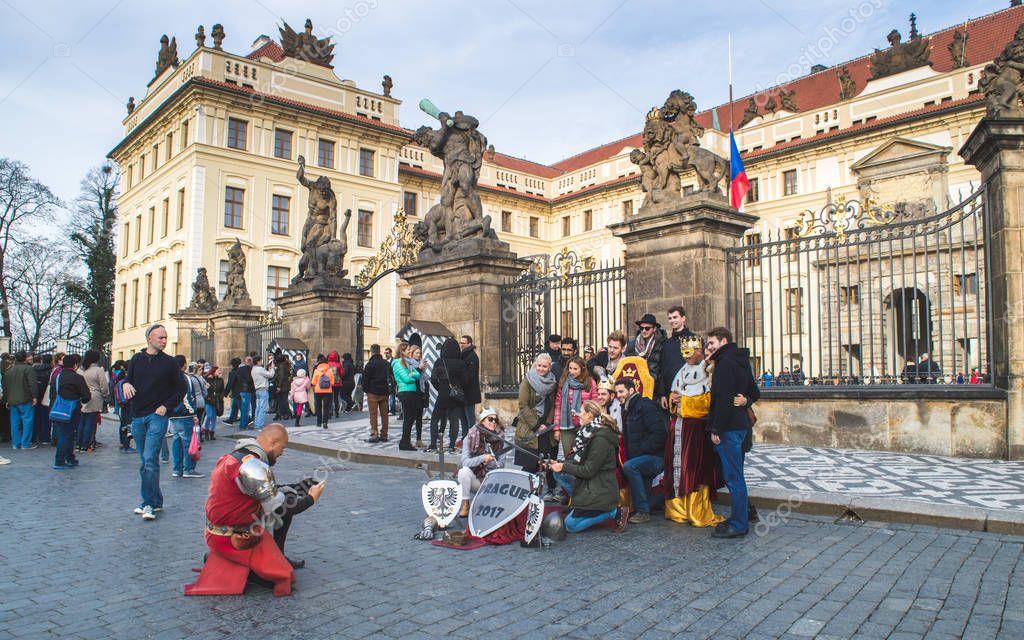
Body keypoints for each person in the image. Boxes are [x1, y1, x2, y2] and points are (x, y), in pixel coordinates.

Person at [184, 424, 327, 597]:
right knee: (281, 578)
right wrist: (311, 499)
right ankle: (224, 560)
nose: (282, 453)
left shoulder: (243, 456)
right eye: (282, 448)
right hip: (232, 537)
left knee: (288, 495)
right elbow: (280, 506)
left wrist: (299, 487)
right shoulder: (253, 466)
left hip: (231, 526)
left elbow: (270, 493)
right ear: (273, 443)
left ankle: (274, 556)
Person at [121, 324, 183, 520]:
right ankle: (155, 501)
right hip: (138, 415)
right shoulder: (136, 360)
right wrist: (125, 384)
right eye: (161, 338)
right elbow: (127, 380)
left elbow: (180, 389)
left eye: (165, 338)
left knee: (149, 458)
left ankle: (147, 503)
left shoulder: (170, 363)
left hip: (157, 415)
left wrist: (166, 406)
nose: (164, 341)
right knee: (145, 461)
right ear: (149, 338)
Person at [663, 338, 724, 527]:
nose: (686, 357)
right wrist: (673, 399)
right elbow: (674, 392)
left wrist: (684, 403)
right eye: (684, 353)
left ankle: (696, 511)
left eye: (690, 352)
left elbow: (707, 404)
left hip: (696, 430)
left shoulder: (708, 374)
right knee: (676, 468)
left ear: (699, 351)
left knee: (694, 469)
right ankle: (678, 509)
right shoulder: (682, 370)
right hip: (678, 428)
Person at [705, 327, 760, 538]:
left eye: (712, 343)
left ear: (724, 341)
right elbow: (755, 392)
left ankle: (738, 524)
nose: (709, 347)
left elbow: (722, 402)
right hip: (741, 427)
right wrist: (747, 400)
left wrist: (715, 428)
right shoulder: (740, 359)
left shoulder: (725, 364)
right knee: (737, 475)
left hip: (728, 429)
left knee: (733, 477)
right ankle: (742, 515)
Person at [546, 400, 629, 533]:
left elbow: (588, 470)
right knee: (558, 473)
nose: (579, 415)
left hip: (601, 488)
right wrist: (556, 464)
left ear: (590, 415)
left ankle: (613, 512)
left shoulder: (600, 439)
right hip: (592, 483)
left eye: (582, 412)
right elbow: (577, 461)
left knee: (570, 525)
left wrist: (564, 467)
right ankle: (581, 504)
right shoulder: (587, 432)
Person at [616, 378, 666, 524]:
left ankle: (643, 512)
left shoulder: (645, 405)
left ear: (631, 390)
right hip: (641, 456)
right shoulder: (627, 407)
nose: (618, 395)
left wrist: (641, 450)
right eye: (617, 392)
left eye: (621, 391)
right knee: (631, 466)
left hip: (655, 457)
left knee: (630, 466)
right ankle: (651, 505)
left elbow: (660, 434)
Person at [457, 408, 504, 517]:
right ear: (482, 421)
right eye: (490, 419)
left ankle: (490, 502)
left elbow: (501, 464)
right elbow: (465, 462)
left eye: (495, 420)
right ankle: (465, 504)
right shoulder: (470, 436)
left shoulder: (501, 437)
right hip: (477, 479)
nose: (493, 422)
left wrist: (490, 462)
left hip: (493, 481)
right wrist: (483, 458)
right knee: (463, 472)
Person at [515, 353, 556, 474]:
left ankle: (545, 488)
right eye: (539, 365)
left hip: (545, 427)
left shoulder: (552, 381)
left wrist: (547, 423)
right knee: (529, 464)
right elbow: (523, 404)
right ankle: (524, 488)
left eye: (544, 366)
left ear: (549, 368)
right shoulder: (528, 380)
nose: (541, 369)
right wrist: (537, 425)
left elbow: (553, 404)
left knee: (544, 461)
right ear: (535, 365)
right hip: (530, 425)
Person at [553, 356, 598, 464]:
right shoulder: (564, 382)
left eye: (575, 369)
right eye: (570, 368)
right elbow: (558, 405)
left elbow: (595, 405)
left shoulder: (590, 382)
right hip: (567, 425)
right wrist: (557, 428)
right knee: (569, 457)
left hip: (585, 426)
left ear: (582, 368)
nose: (572, 371)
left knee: (583, 459)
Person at [49, 354, 90, 469]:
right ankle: (60, 460)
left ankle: (70, 457)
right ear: (75, 365)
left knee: (65, 433)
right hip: (73, 409)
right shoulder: (78, 378)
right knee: (67, 435)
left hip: (59, 408)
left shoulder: (58, 376)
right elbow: (86, 396)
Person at [168, 355, 204, 479]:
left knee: (177, 440)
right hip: (184, 413)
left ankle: (177, 469)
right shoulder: (185, 378)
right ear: (184, 365)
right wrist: (193, 413)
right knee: (188, 441)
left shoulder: (169, 378)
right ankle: (188, 468)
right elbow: (187, 396)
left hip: (172, 414)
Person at [428, 338, 467, 453]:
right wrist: (458, 387)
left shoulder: (440, 362)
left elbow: (434, 379)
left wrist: (441, 389)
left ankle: (433, 444)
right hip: (455, 395)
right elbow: (465, 380)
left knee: (435, 419)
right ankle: (451, 445)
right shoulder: (461, 363)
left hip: (443, 395)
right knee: (454, 421)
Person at [657, 306, 697, 410]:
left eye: (675, 317)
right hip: (671, 394)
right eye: (670, 318)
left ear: (683, 318)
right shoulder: (666, 344)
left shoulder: (693, 339)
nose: (672, 320)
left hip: (690, 393)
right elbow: (662, 370)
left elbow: (698, 367)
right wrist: (663, 395)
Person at [393, 342, 425, 451]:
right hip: (406, 392)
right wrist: (414, 374)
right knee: (408, 419)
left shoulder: (406, 363)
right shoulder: (397, 363)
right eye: (408, 350)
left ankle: (405, 441)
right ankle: (404, 443)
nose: (409, 352)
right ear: (402, 351)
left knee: (410, 419)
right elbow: (408, 378)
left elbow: (414, 374)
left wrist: (413, 374)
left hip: (411, 392)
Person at [2, 351, 37, 450]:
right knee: (27, 422)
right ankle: (25, 444)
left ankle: (15, 444)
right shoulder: (29, 369)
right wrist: (34, 396)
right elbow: (32, 384)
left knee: (15, 423)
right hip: (26, 399)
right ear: (25, 358)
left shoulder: (9, 371)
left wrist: (6, 399)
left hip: (12, 400)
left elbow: (6, 387)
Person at [625, 313, 667, 392]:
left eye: (647, 328)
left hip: (654, 389)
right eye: (641, 328)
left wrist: (662, 393)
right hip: (635, 387)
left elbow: (663, 371)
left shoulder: (661, 345)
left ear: (654, 329)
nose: (644, 330)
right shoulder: (632, 345)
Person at [77, 350, 107, 453]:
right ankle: (87, 444)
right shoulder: (98, 370)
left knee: (82, 421)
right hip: (94, 396)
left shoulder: (81, 370)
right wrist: (105, 395)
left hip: (82, 396)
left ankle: (79, 443)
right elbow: (103, 386)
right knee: (90, 422)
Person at [361, 344, 391, 443]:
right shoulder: (386, 363)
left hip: (373, 392)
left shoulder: (369, 364)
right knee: (384, 415)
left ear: (372, 351)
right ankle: (384, 435)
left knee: (373, 415)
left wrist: (367, 390)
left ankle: (374, 435)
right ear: (379, 351)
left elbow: (365, 379)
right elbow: (390, 377)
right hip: (384, 392)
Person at [458, 335, 481, 448]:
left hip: (469, 392)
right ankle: (464, 438)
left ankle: (472, 439)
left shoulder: (471, 356)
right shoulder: (463, 355)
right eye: (460, 342)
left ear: (470, 344)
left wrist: (461, 382)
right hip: (463, 392)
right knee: (463, 417)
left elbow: (470, 376)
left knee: (470, 417)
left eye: (464, 343)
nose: (461, 344)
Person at [409, 344, 427, 448]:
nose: (419, 355)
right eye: (417, 353)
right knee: (411, 418)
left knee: (419, 418)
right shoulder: (408, 363)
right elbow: (411, 376)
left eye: (420, 353)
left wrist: (423, 369)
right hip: (412, 392)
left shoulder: (421, 363)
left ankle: (419, 440)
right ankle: (408, 439)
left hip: (420, 392)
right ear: (411, 353)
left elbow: (424, 379)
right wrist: (419, 368)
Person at [32, 354, 53, 445]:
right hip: (46, 396)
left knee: (35, 416)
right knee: (46, 418)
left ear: (42, 360)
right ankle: (45, 437)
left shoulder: (34, 369)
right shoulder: (51, 370)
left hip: (36, 396)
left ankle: (35, 436)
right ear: (51, 361)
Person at [311, 355, 336, 429]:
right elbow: (332, 382)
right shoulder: (330, 370)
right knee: (326, 407)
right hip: (328, 391)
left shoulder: (316, 370)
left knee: (318, 407)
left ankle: (319, 422)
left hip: (318, 390)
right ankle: (325, 422)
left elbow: (313, 382)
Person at [251, 355, 275, 430]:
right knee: (263, 408)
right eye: (261, 361)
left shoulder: (253, 369)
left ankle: (256, 423)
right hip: (263, 389)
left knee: (258, 408)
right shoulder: (260, 369)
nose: (262, 362)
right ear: (258, 362)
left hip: (257, 389)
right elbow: (270, 375)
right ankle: (259, 425)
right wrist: (272, 369)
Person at [203, 366, 225, 440]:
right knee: (209, 415)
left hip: (217, 401)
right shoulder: (207, 379)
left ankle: (212, 432)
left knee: (214, 417)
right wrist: (207, 397)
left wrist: (221, 397)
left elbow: (222, 390)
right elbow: (205, 390)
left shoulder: (220, 380)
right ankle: (206, 431)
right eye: (218, 371)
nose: (220, 372)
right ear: (214, 372)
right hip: (208, 400)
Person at [273, 352, 292, 420]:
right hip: (284, 385)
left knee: (283, 400)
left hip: (283, 385)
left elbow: (282, 376)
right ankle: (282, 413)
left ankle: (286, 413)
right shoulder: (283, 365)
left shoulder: (281, 366)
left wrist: (279, 386)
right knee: (281, 400)